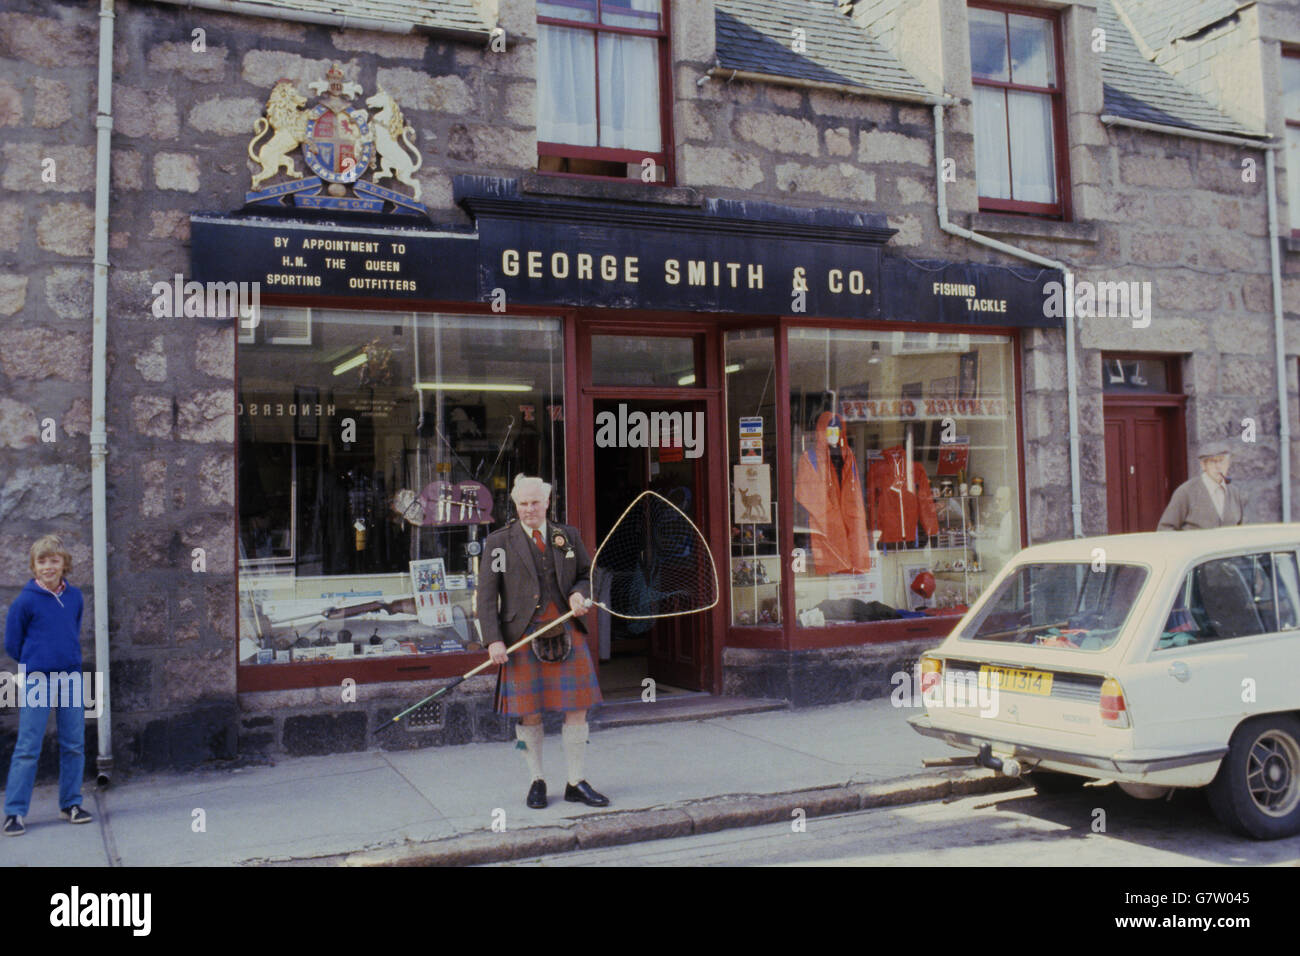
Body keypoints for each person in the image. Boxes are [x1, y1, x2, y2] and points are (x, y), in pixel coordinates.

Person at [477, 475, 608, 810]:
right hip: (522, 636)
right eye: (522, 504)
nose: (529, 510)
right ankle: (536, 780)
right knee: (529, 714)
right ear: (515, 505)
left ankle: (576, 782)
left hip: (566, 629)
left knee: (577, 710)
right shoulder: (499, 544)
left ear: (548, 503)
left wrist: (580, 592)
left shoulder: (567, 537)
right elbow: (487, 597)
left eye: (535, 503)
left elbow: (586, 573)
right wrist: (493, 640)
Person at [3, 535, 93, 836]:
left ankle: (71, 803)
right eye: (42, 561)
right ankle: (15, 812)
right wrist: (38, 663)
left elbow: (72, 628)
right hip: (37, 680)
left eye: (54, 560)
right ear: (34, 566)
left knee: (74, 744)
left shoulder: (75, 597)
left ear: (63, 564)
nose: (48, 566)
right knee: (28, 747)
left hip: (71, 678)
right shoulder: (25, 601)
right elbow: (13, 644)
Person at [1157, 443, 1244, 531]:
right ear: (1203, 465)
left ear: (1228, 464)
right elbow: (1164, 529)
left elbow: (1241, 529)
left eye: (1221, 461)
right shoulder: (1186, 491)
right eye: (1212, 461)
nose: (1218, 467)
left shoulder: (1234, 492)